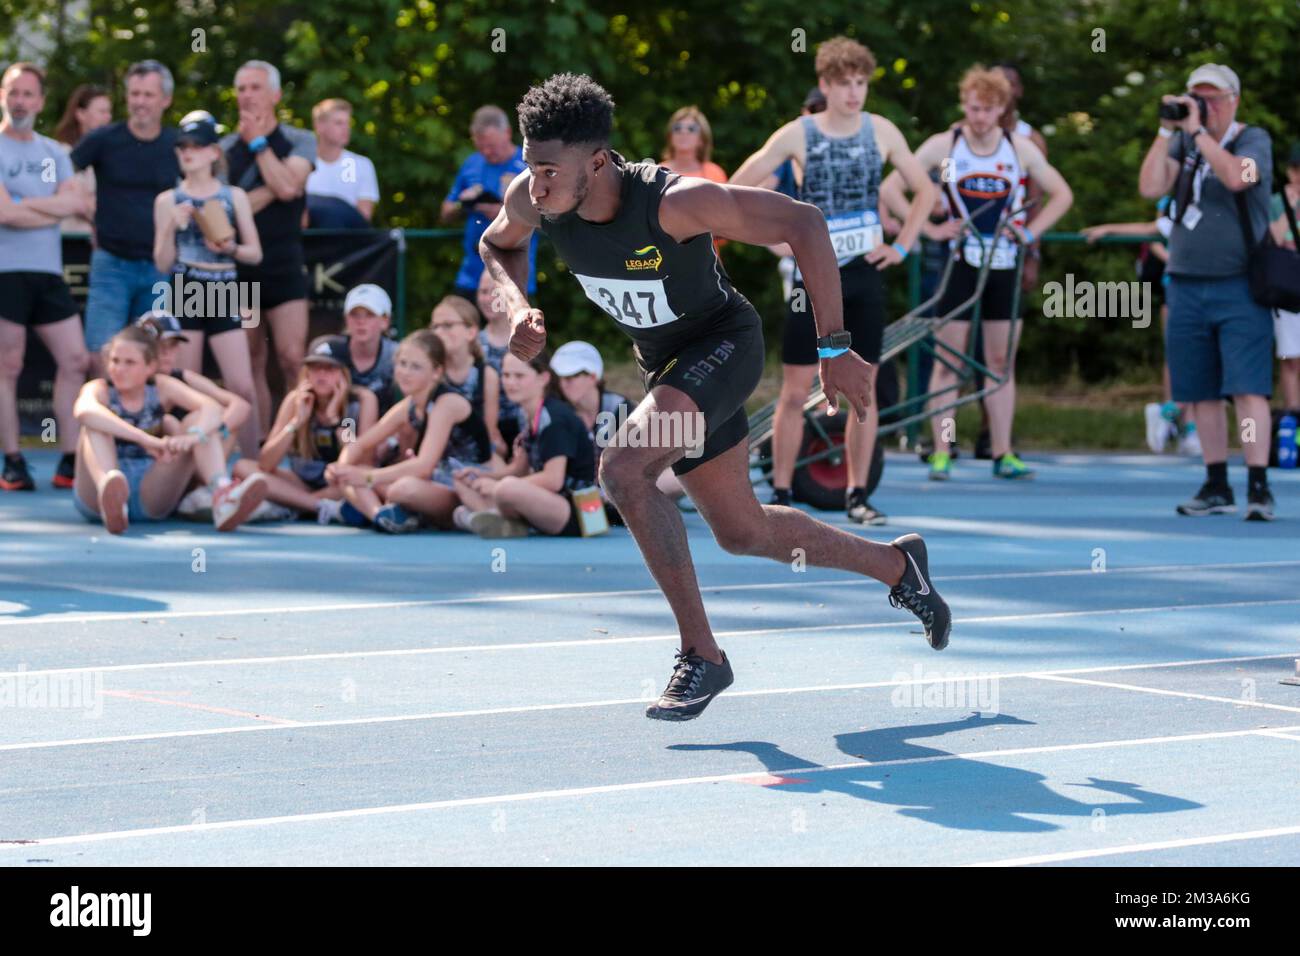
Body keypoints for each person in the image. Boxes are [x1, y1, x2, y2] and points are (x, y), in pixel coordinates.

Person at [481, 72, 950, 722]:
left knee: (622, 469)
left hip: (725, 346)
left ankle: (702, 655)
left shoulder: (674, 201)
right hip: (669, 367)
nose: (537, 186)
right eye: (530, 168)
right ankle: (900, 569)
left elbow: (805, 225)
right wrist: (517, 307)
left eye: (549, 171)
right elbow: (496, 244)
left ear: (597, 161)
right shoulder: (534, 196)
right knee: (743, 531)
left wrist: (834, 348)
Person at [731, 36, 936, 525]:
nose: (854, 93)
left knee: (863, 385)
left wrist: (903, 245)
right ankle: (779, 491)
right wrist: (775, 241)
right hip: (812, 277)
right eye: (844, 84)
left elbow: (924, 190)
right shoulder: (799, 133)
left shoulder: (881, 131)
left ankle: (857, 494)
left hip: (864, 273)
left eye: (861, 83)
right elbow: (737, 188)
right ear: (825, 84)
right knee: (796, 388)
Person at [887, 65, 1073, 481]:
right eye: (973, 108)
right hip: (960, 262)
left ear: (1003, 109)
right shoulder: (945, 146)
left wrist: (1028, 233)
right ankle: (941, 450)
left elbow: (1062, 194)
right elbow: (892, 189)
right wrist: (931, 228)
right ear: (963, 105)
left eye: (989, 110)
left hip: (1003, 263)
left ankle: (1002, 452)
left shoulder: (1018, 148)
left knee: (999, 361)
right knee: (948, 361)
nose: (980, 118)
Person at [1139, 63, 1277, 519]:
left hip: (1240, 283)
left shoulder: (1253, 140)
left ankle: (1258, 483)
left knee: (1248, 388)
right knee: (1199, 391)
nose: (1204, 106)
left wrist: (1200, 134)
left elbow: (1240, 177)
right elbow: (1150, 186)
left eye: (1213, 98)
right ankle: (1216, 481)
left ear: (1233, 100)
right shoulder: (1183, 141)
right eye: (1196, 97)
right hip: (1186, 283)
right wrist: (1166, 130)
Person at [72, 325, 267, 533]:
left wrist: (193, 437)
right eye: (115, 361)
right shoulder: (99, 388)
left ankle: (222, 495)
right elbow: (84, 411)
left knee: (196, 421)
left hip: (151, 487)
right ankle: (110, 495)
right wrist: (146, 440)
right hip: (95, 490)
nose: (119, 369)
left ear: (150, 367)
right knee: (94, 425)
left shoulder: (162, 385)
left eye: (129, 363)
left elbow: (211, 408)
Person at [0, 62, 91, 492]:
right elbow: (3, 214)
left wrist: (24, 205)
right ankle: (13, 460)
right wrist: (46, 206)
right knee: (8, 366)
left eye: (28, 94)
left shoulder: (54, 154)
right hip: (6, 272)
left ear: (40, 100)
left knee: (76, 360)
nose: (20, 101)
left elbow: (75, 205)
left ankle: (70, 459)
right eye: (13, 92)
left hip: (48, 272)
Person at [153, 111, 263, 455]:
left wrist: (229, 247)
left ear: (214, 152)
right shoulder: (167, 200)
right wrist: (171, 226)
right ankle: (194, 467)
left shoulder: (234, 196)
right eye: (183, 146)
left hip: (225, 285)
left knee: (241, 385)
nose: (189, 152)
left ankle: (254, 464)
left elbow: (254, 253)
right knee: (189, 385)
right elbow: (162, 262)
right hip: (186, 285)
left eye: (197, 145)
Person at [220, 60, 316, 435]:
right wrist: (270, 189)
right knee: (250, 359)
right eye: (241, 88)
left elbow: (291, 189)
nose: (246, 95)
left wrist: (259, 145)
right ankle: (259, 444)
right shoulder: (223, 147)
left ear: (275, 95)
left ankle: (300, 440)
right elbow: (221, 210)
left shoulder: (300, 139)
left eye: (255, 88)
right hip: (240, 268)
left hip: (285, 264)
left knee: (293, 358)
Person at [70, 60, 179, 375]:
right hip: (111, 265)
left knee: (154, 359)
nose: (140, 102)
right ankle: (102, 425)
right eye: (135, 94)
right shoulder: (104, 139)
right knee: (101, 357)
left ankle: (145, 425)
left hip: (159, 267)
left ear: (165, 100)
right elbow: (61, 173)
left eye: (148, 94)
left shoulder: (176, 145)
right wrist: (83, 205)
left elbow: (203, 189)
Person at [332, 329, 491, 532]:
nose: (405, 372)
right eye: (402, 363)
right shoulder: (409, 405)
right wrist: (341, 467)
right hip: (437, 481)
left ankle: (395, 512)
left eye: (415, 367)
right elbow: (361, 443)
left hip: (469, 486)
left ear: (436, 372)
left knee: (402, 488)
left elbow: (424, 465)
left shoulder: (447, 403)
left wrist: (368, 478)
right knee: (356, 474)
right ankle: (382, 515)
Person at [1081, 199, 1202, 456]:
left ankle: (1176, 416)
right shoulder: (1177, 198)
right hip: (1183, 285)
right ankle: (1179, 418)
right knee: (1180, 353)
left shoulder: (1216, 200)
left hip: (1205, 284)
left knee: (1199, 357)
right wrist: (1108, 228)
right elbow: (1152, 231)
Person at [451, 351, 596, 539]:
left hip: (583, 512)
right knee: (464, 482)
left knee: (506, 489)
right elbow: (519, 469)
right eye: (506, 375)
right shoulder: (528, 413)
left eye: (519, 376)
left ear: (543, 378)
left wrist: (497, 486)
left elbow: (553, 480)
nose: (510, 382)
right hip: (550, 502)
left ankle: (494, 517)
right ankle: (505, 522)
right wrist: (483, 475)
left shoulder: (554, 418)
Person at [233, 336, 378, 524]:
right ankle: (316, 506)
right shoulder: (296, 400)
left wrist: (336, 419)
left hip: (338, 484)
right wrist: (295, 423)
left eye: (329, 369)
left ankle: (290, 505)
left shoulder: (360, 401)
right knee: (243, 467)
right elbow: (266, 463)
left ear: (345, 373)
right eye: (315, 368)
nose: (321, 375)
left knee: (360, 477)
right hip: (300, 483)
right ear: (306, 373)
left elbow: (362, 460)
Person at [440, 105, 537, 300]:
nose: (487, 152)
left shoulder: (528, 164)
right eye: (481, 146)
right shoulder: (471, 164)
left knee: (511, 329)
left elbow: (547, 213)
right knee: (463, 325)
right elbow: (445, 212)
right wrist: (463, 203)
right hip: (471, 274)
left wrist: (505, 213)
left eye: (492, 146)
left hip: (512, 271)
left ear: (507, 133)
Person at [430, 294, 503, 456]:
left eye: (448, 325)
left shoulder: (487, 376)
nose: (439, 332)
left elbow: (488, 434)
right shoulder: (431, 373)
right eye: (435, 326)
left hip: (474, 460)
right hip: (434, 456)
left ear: (471, 332)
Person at [306, 98, 379, 228]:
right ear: (319, 126)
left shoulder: (362, 165)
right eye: (338, 123)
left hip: (349, 243)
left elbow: (363, 218)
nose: (346, 129)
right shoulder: (301, 164)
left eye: (347, 123)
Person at [51, 83, 111, 234]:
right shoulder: (59, 154)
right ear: (81, 114)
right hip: (71, 242)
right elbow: (77, 203)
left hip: (103, 245)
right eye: (102, 111)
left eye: (109, 112)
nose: (108, 117)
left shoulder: (110, 157)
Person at [474, 269, 521, 453]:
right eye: (483, 292)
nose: (487, 299)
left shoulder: (528, 339)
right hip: (483, 429)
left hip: (520, 428)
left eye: (494, 292)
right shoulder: (473, 343)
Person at [1269, 143, 1300, 413]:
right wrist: (1290, 205)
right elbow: (1274, 239)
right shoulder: (1277, 202)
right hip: (1289, 288)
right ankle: (1293, 414)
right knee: (1291, 356)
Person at [336, 283, 399, 413]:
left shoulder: (398, 355)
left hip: (387, 429)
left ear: (385, 321)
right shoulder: (331, 352)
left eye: (370, 314)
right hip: (338, 426)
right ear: (346, 319)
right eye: (354, 314)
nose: (361, 321)